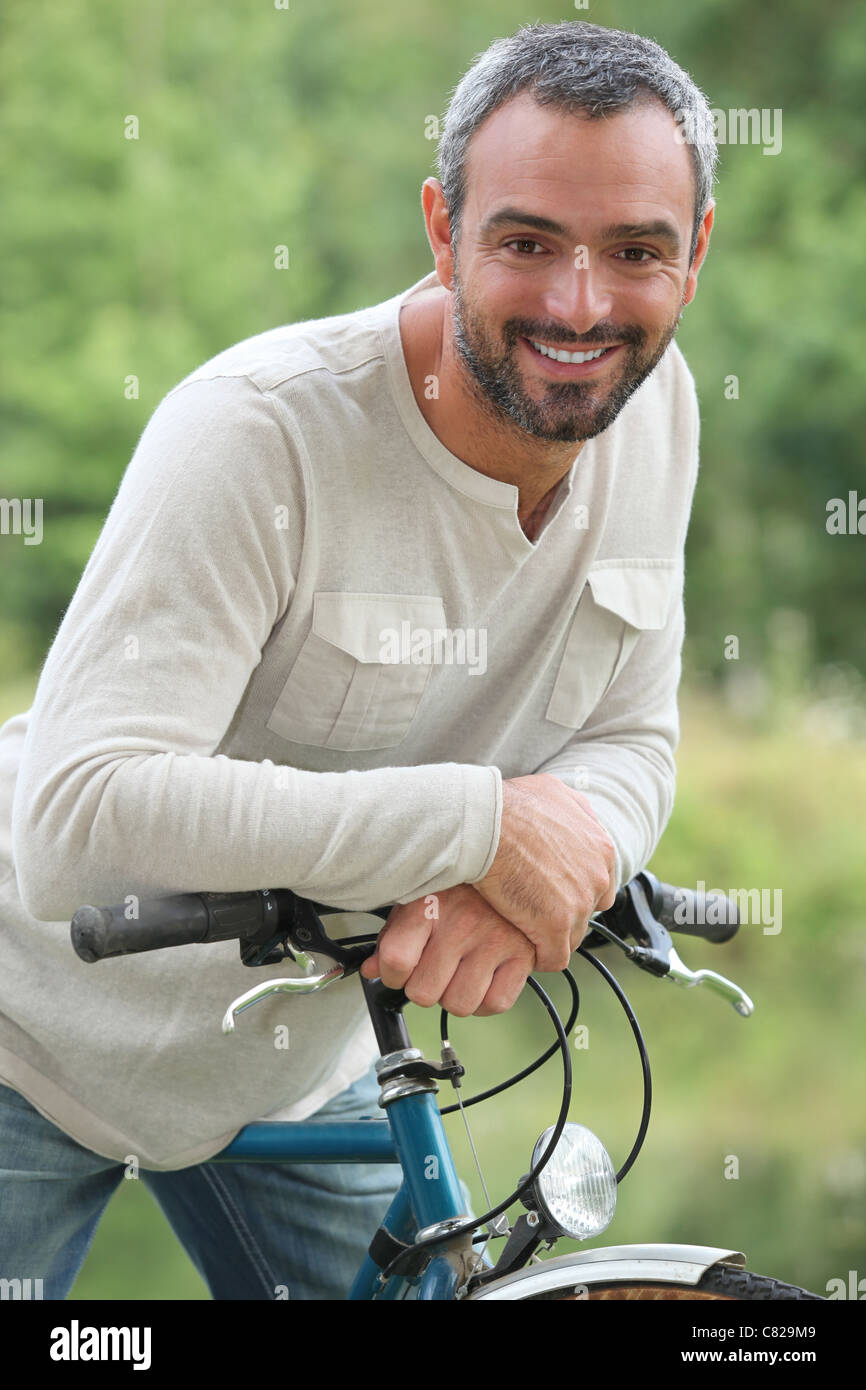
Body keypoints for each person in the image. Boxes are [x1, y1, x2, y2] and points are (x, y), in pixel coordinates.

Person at [0, 19, 715, 1298]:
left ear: (693, 255)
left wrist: (572, 856)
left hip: (295, 1055)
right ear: (441, 231)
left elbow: (630, 733)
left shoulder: (654, 408)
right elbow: (72, 820)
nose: (578, 303)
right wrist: (475, 827)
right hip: (28, 1029)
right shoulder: (256, 433)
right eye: (526, 241)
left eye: (634, 252)